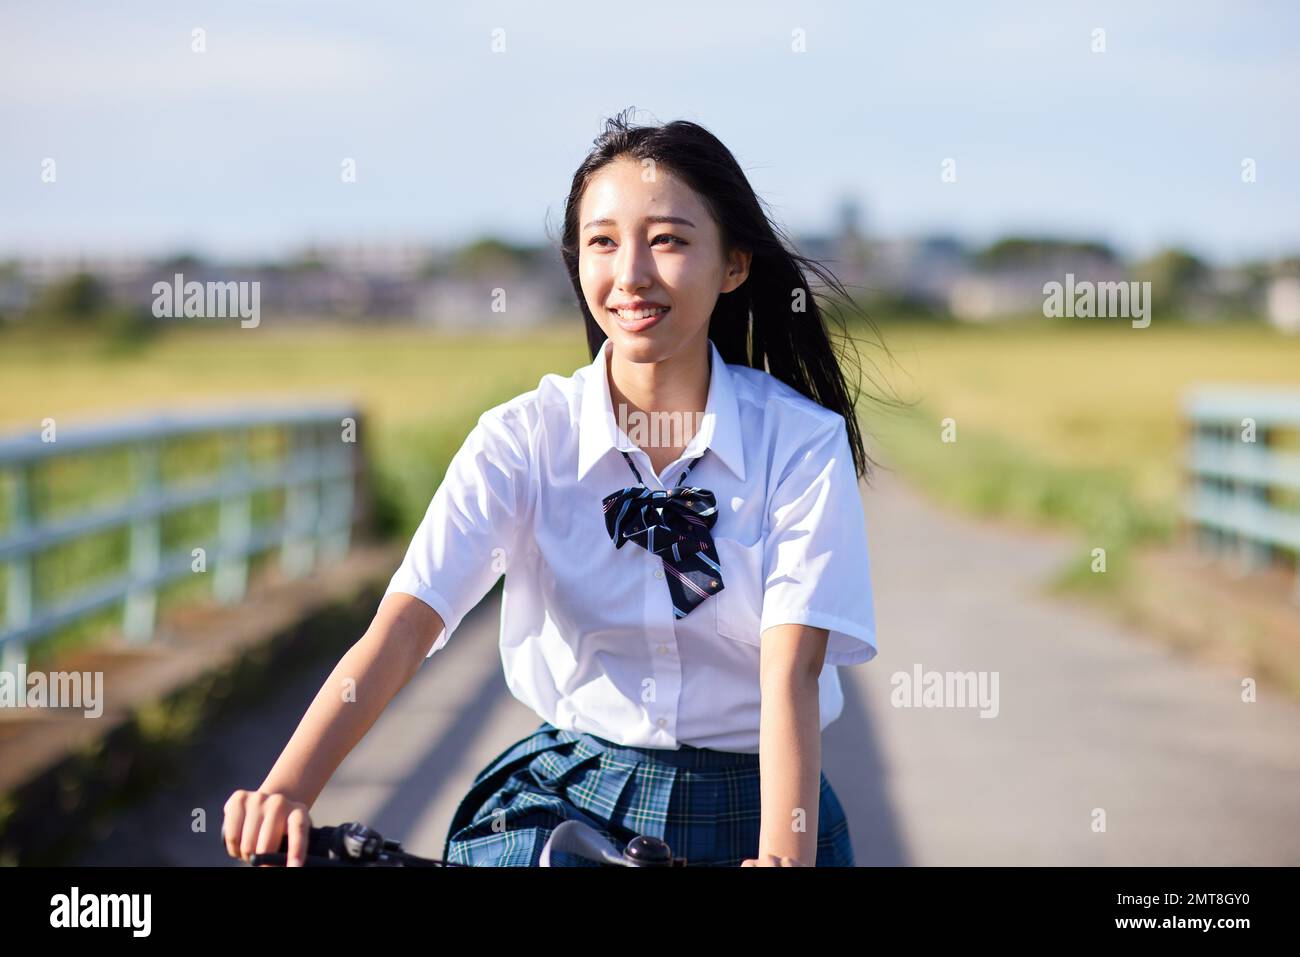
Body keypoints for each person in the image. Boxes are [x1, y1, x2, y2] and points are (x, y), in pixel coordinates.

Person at [223, 108, 897, 868]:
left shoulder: (800, 441)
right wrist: (286, 788)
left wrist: (783, 856)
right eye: (603, 242)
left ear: (734, 264)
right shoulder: (522, 439)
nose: (631, 274)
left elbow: (792, 667)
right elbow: (406, 626)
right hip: (570, 794)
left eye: (668, 240)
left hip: (754, 799)